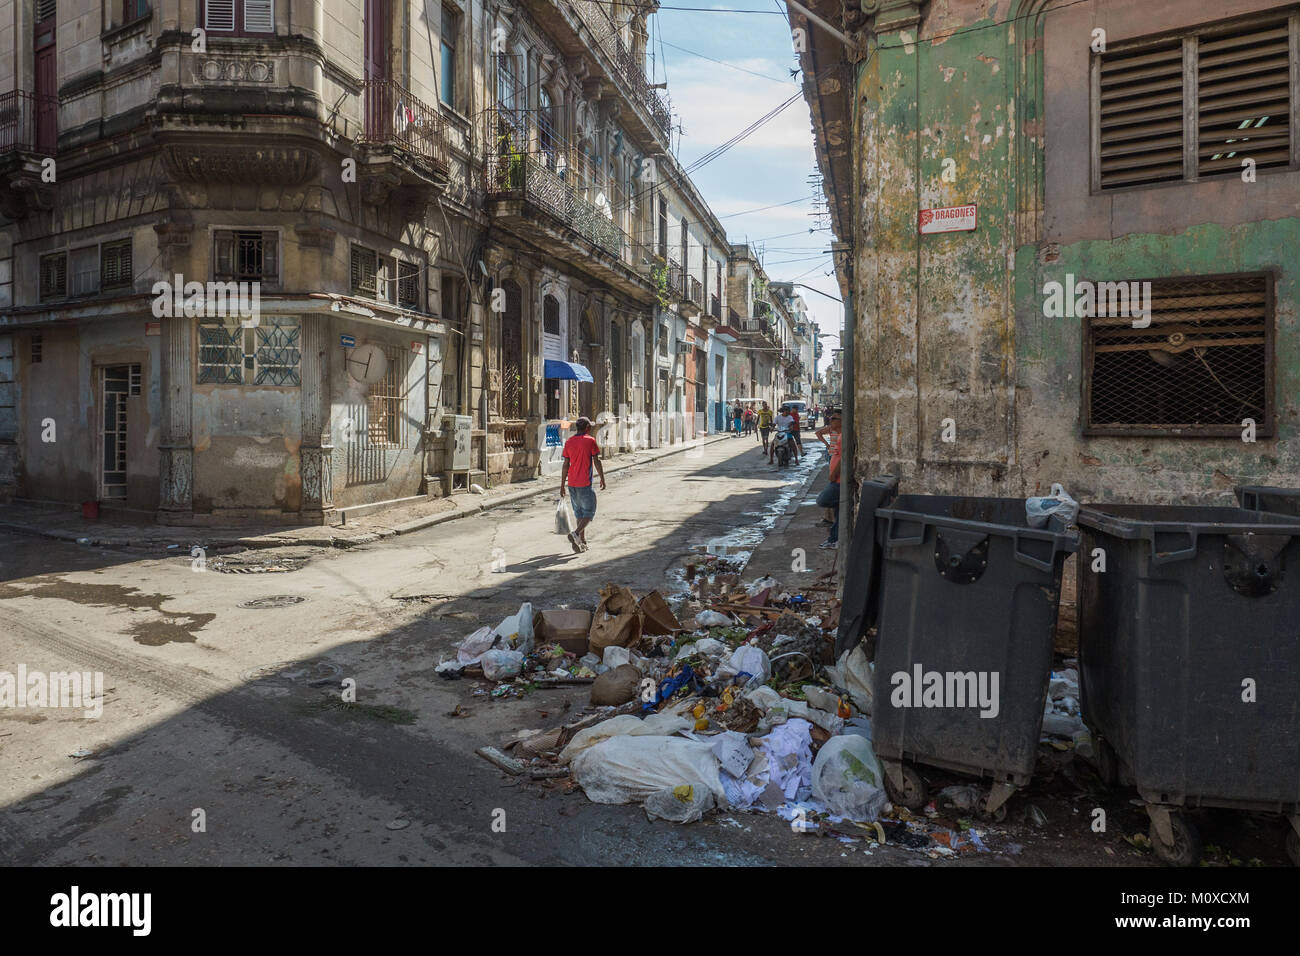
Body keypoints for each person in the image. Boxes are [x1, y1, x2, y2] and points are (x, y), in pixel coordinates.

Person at [559, 416, 605, 553]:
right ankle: (576, 533)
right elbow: (596, 461)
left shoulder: (569, 442)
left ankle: (581, 541)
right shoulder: (590, 441)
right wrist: (602, 478)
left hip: (572, 483)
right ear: (587, 428)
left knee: (579, 512)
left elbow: (565, 465)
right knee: (589, 512)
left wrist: (562, 484)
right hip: (584, 483)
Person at [815, 410, 842, 549]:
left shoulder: (841, 434)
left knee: (824, 499)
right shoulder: (832, 429)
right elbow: (818, 433)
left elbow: (843, 458)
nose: (831, 420)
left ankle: (834, 534)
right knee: (838, 508)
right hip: (833, 453)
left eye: (834, 418)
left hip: (837, 477)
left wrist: (833, 474)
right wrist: (827, 444)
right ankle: (834, 538)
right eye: (830, 418)